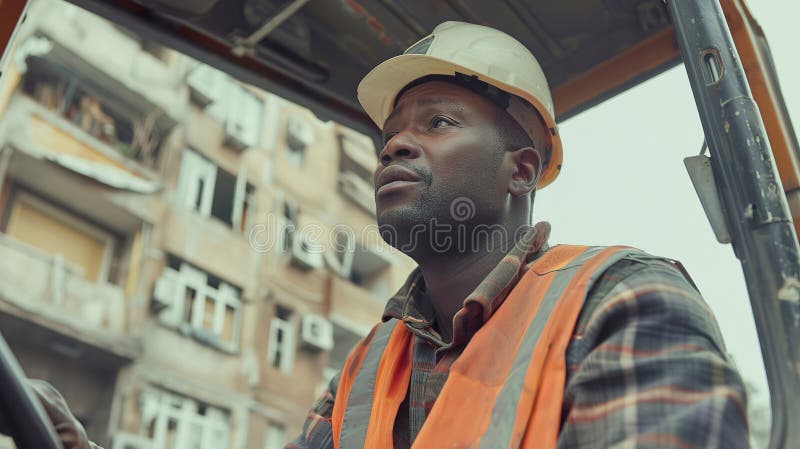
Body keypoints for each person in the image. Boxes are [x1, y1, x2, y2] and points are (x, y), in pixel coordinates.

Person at [13, 21, 750, 449]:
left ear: (519, 170)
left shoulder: (621, 301)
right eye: (390, 135)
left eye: (436, 123)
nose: (394, 147)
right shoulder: (370, 363)